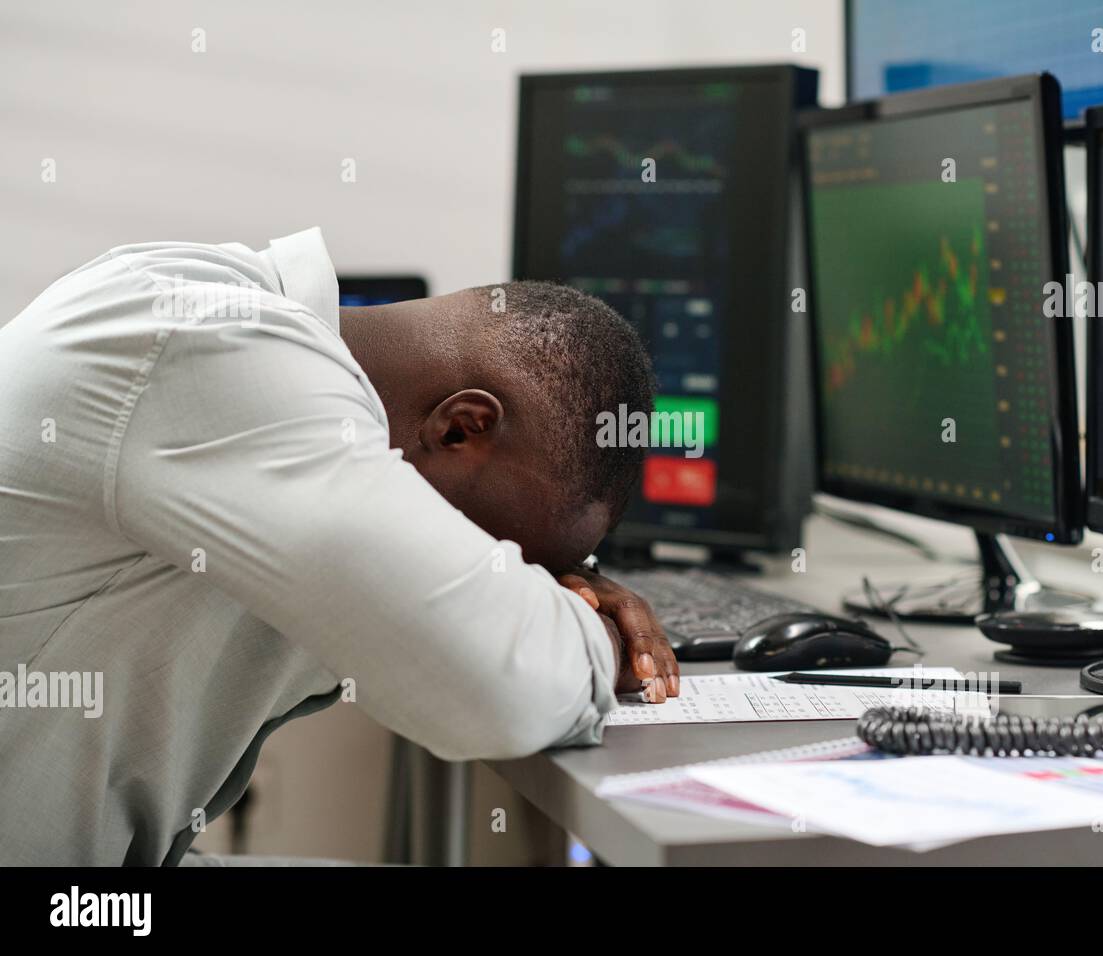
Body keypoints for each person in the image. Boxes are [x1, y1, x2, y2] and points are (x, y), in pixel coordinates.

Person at [0, 228, 679, 865]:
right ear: (461, 429)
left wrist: (563, 581)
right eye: (501, 549)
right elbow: (494, 688)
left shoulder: (236, 339)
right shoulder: (207, 345)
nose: (488, 569)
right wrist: (600, 637)